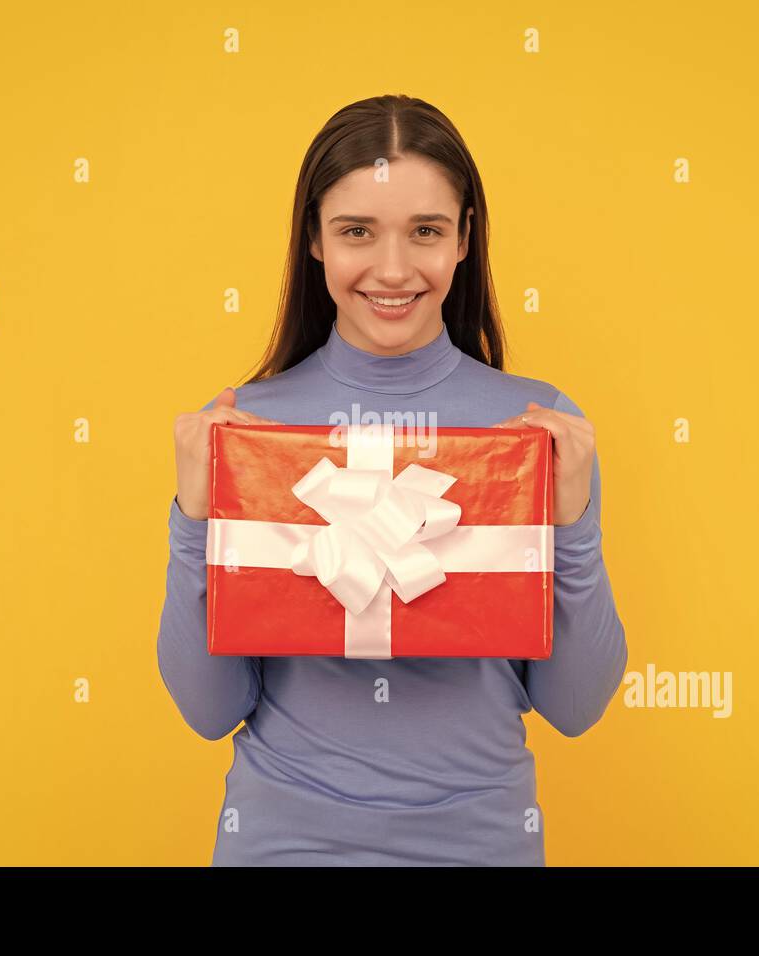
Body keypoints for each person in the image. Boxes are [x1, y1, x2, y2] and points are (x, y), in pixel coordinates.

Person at [158, 93, 628, 865]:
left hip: (482, 844)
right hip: (284, 843)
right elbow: (208, 710)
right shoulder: (250, 430)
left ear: (465, 239)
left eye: (426, 232)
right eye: (356, 232)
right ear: (313, 239)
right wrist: (192, 522)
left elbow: (575, 707)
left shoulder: (538, 428)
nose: (393, 269)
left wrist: (573, 528)